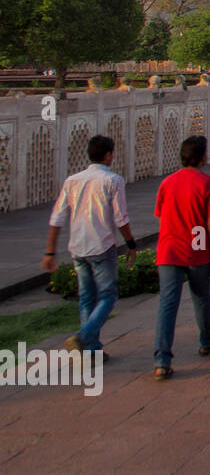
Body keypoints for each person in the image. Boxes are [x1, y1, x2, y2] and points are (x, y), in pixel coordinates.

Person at [44, 134, 136, 358]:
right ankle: (84, 336)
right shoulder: (113, 180)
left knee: (86, 298)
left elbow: (57, 218)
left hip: (77, 247)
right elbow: (120, 218)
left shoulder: (72, 181)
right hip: (101, 246)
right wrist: (131, 243)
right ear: (107, 155)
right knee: (108, 296)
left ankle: (91, 350)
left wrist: (50, 251)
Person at [153, 135, 210, 380]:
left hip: (169, 249)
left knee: (168, 303)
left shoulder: (167, 183)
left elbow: (162, 215)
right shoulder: (208, 184)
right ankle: (207, 340)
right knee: (201, 297)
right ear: (203, 157)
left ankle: (162, 359)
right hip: (197, 247)